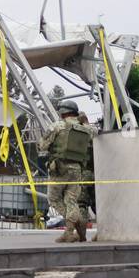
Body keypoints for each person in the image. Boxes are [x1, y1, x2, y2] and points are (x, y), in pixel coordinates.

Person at [41, 100, 95, 243]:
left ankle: (76, 221)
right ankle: (70, 231)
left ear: (63, 112)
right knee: (71, 200)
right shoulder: (85, 128)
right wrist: (85, 123)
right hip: (77, 169)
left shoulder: (57, 126)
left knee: (53, 199)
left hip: (59, 169)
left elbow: (42, 146)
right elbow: (95, 132)